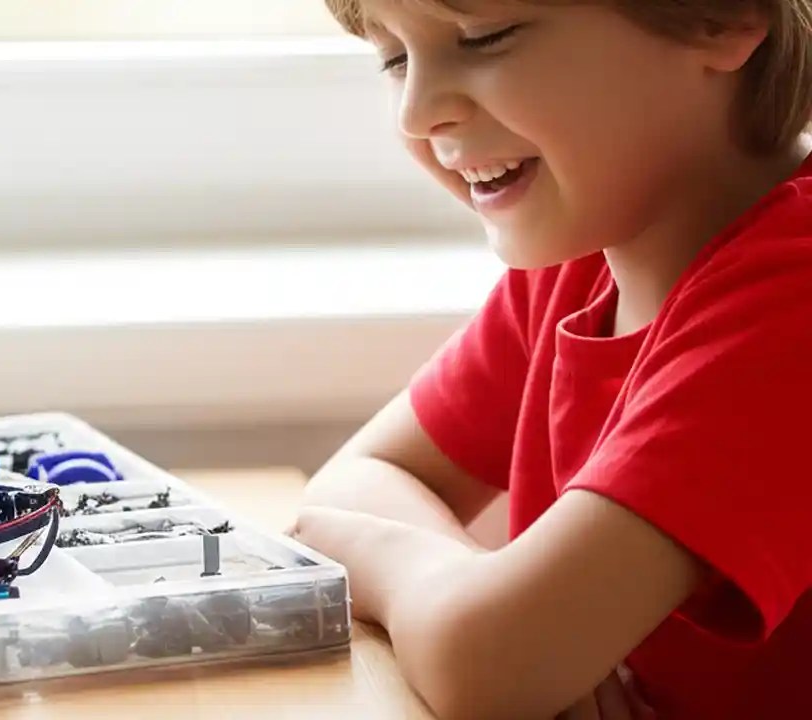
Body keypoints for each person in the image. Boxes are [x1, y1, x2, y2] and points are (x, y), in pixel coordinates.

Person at [289, 1, 812, 718]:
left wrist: (482, 618)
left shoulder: (792, 296)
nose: (418, 113)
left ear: (718, 19)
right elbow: (355, 483)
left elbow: (489, 667)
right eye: (396, 58)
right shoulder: (583, 257)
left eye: (486, 38)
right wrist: (484, 602)